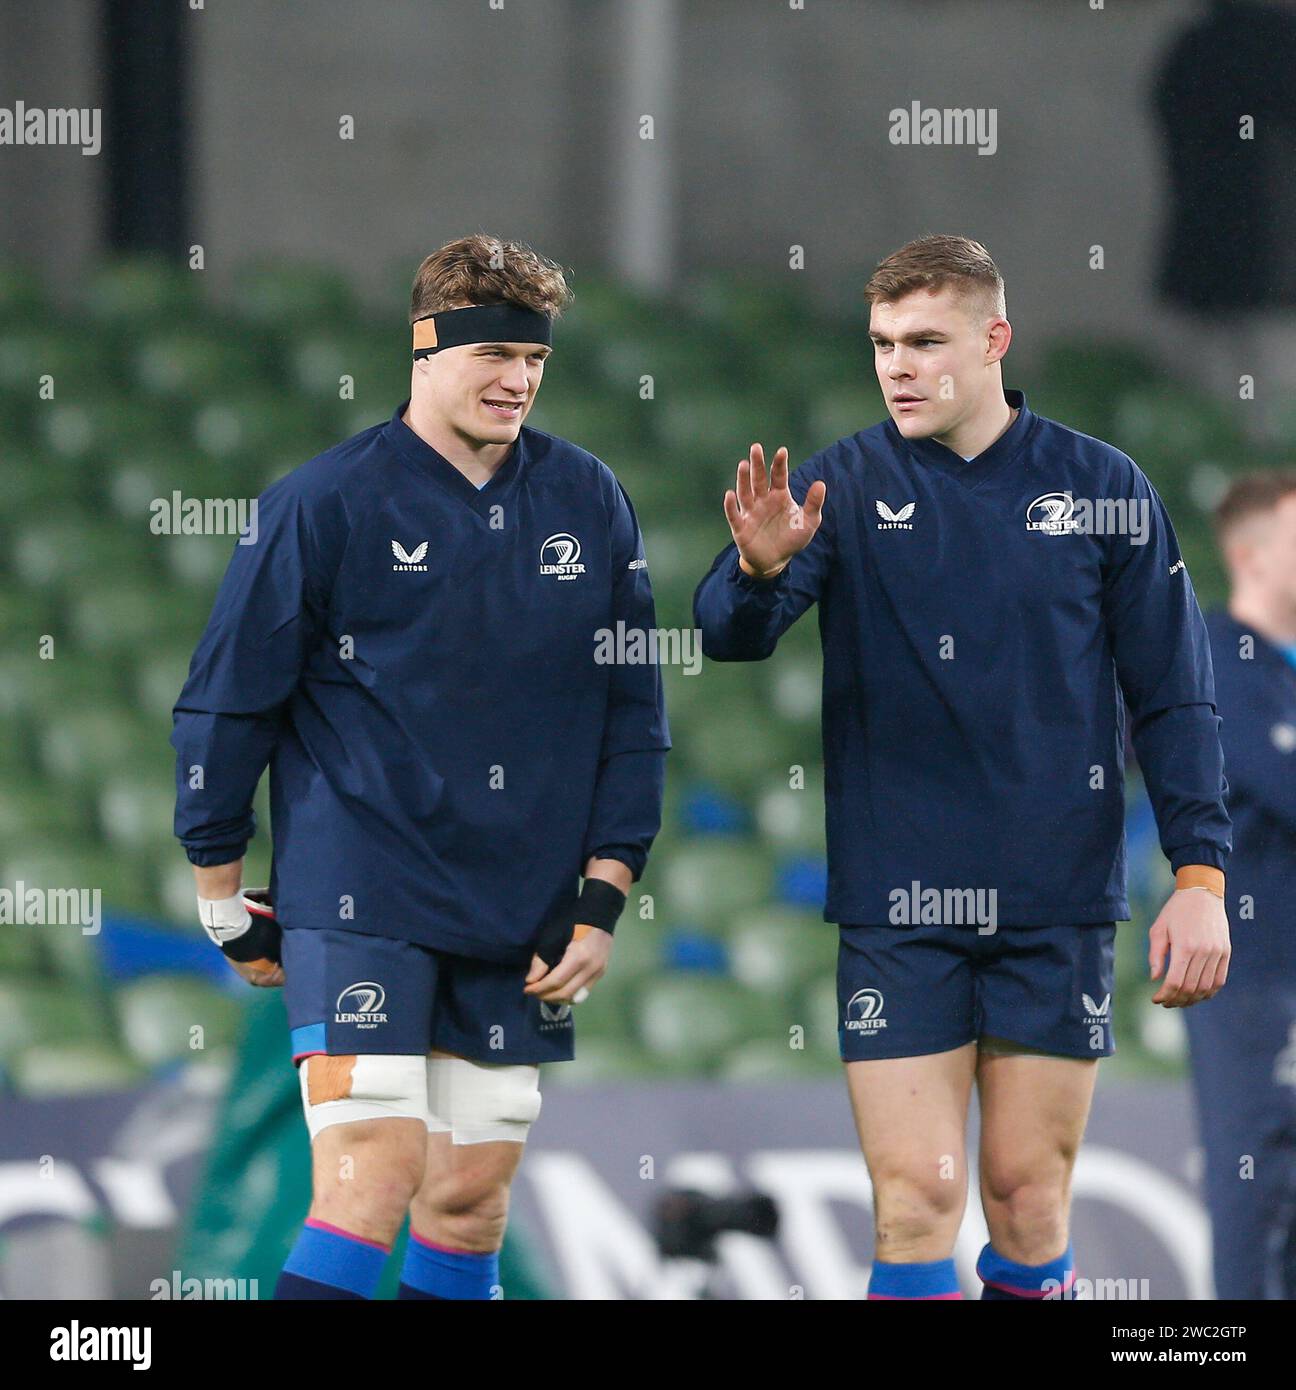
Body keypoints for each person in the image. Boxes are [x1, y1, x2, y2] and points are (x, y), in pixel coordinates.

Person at [693, 233, 1231, 1301]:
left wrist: (1202, 877)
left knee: (1029, 1203)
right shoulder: (841, 483)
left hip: (1056, 903)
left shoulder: (1101, 485)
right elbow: (729, 634)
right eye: (883, 342)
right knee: (915, 1200)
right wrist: (755, 570)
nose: (898, 364)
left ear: (995, 341)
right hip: (900, 909)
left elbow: (1175, 694)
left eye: (925, 340)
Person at [172, 234, 670, 1300]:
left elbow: (634, 709)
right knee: (371, 1178)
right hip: (364, 896)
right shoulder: (324, 503)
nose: (518, 379)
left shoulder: (589, 501)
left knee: (469, 1204)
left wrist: (606, 889)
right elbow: (226, 703)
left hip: (520, 910)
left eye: (534, 359)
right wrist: (222, 895)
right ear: (425, 349)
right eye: (493, 353)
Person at [1190, 472, 1296, 1298]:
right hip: (1254, 976)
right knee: (1256, 1185)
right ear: (1249, 554)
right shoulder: (1215, 658)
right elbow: (1280, 780)